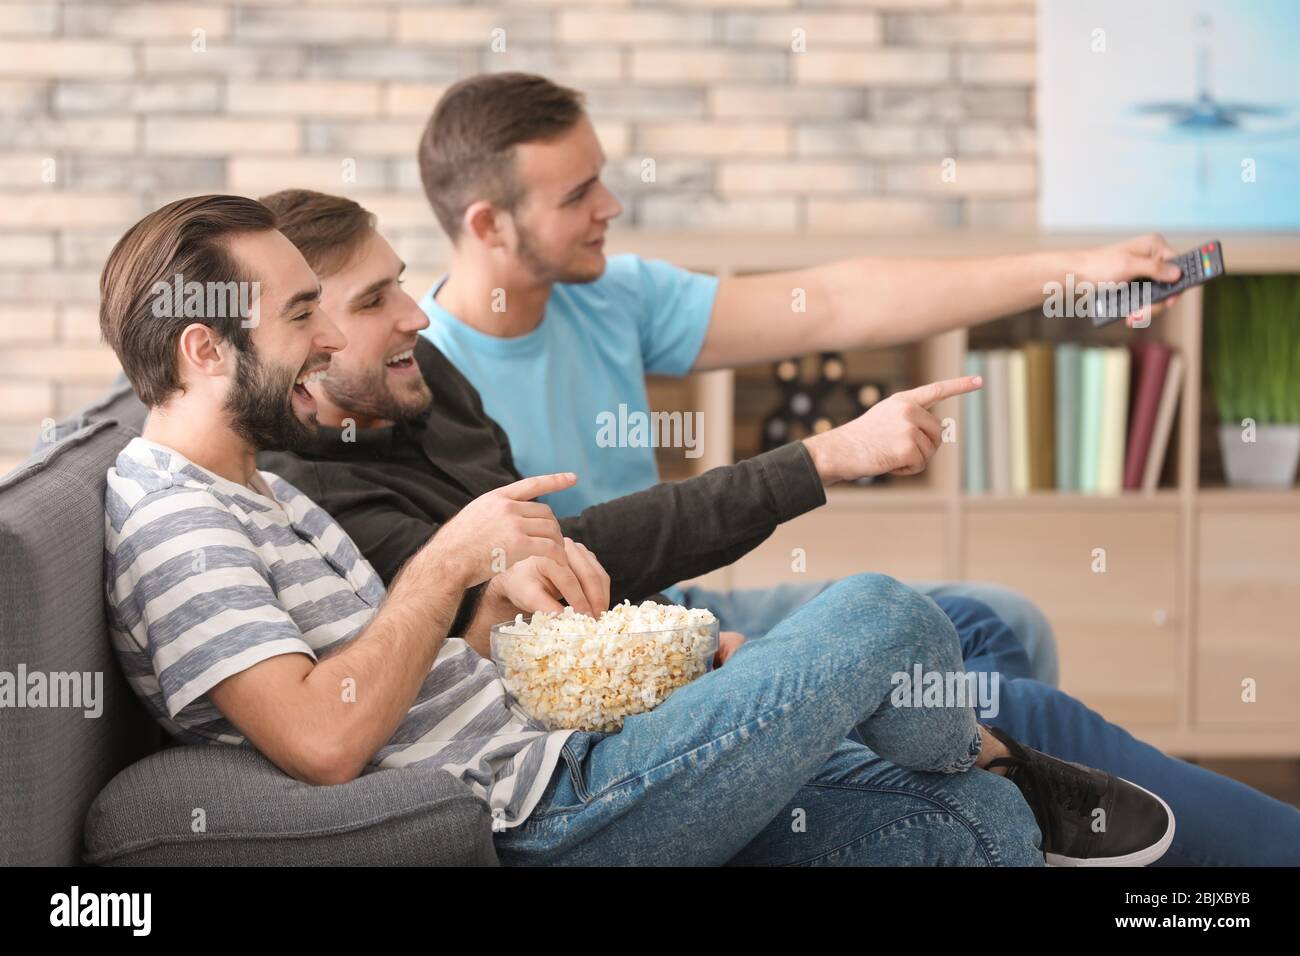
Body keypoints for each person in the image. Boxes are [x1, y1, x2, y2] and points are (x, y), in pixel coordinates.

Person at [99, 194, 1175, 866]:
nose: (327, 339)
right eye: (301, 317)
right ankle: (993, 751)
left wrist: (647, 656)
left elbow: (425, 675)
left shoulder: (261, 494)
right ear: (204, 351)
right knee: (882, 614)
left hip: (575, 746)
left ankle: (988, 781)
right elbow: (324, 739)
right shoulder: (175, 522)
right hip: (555, 813)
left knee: (980, 835)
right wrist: (453, 560)